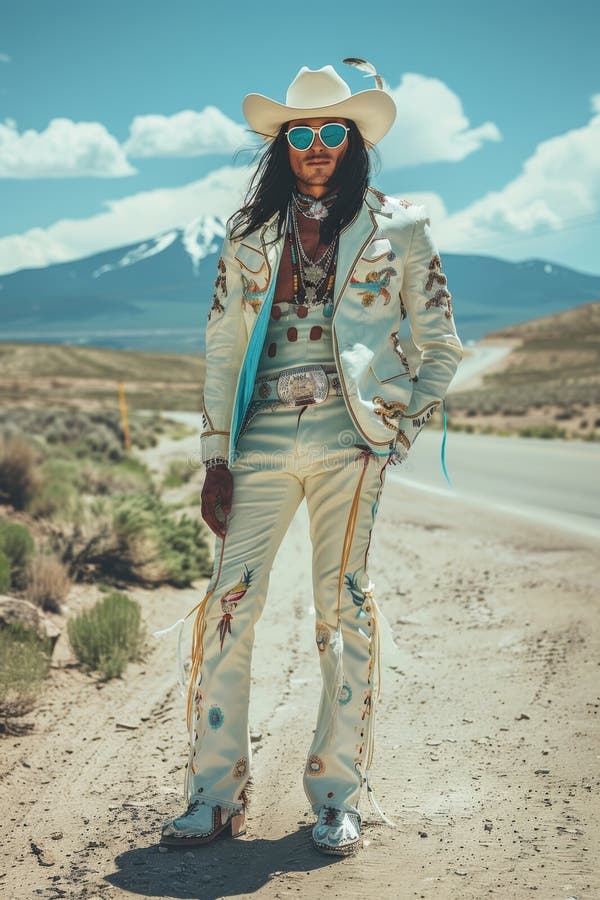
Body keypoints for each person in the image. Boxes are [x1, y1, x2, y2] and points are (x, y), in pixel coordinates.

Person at [158, 62, 463, 855]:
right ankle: (214, 796)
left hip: (349, 435)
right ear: (283, 144)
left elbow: (441, 345)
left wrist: (396, 429)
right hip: (258, 433)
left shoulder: (400, 226)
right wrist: (214, 455)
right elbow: (224, 346)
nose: (318, 146)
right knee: (228, 608)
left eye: (333, 132)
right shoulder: (248, 234)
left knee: (344, 611)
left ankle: (339, 795)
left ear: (354, 142)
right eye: (303, 133)